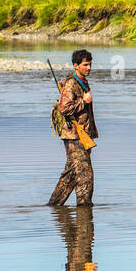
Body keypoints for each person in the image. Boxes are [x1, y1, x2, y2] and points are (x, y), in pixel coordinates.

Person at [48, 49, 99, 206]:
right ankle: (84, 211)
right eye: (85, 65)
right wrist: (83, 101)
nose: (89, 68)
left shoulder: (82, 82)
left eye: (90, 64)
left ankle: (54, 207)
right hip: (74, 136)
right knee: (85, 175)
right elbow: (64, 108)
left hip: (81, 135)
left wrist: (89, 136)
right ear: (76, 65)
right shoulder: (71, 84)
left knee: (70, 176)